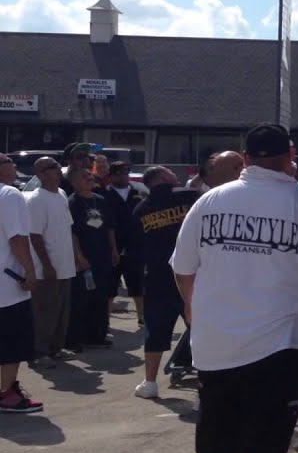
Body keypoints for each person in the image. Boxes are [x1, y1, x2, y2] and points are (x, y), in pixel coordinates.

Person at [170, 124, 298, 453]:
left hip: (216, 335)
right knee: (264, 425)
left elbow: (183, 267)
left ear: (246, 158)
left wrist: (192, 309)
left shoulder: (210, 200)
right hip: (280, 338)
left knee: (214, 414)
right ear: (290, 156)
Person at [131, 167, 202, 399]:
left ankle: (149, 383)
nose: (175, 175)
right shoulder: (187, 197)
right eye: (170, 173)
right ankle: (205, 384)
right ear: (162, 178)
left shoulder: (141, 209)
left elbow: (137, 245)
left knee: (155, 332)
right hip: (189, 276)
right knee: (201, 330)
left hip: (156, 277)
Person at [0, 153, 42, 413]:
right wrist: (29, 269)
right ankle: (7, 393)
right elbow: (17, 237)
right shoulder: (9, 195)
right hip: (7, 285)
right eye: (8, 162)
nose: (14, 166)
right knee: (12, 342)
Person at [25, 156, 77, 366]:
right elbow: (34, 235)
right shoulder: (36, 199)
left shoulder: (62, 194)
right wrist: (47, 265)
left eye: (57, 166)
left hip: (65, 265)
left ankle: (56, 348)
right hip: (47, 268)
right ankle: (39, 352)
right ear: (41, 174)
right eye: (52, 167)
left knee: (61, 311)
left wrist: (77, 257)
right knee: (44, 312)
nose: (57, 170)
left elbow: (68, 229)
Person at [66, 167, 119, 349]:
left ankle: (97, 336)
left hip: (102, 256)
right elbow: (72, 233)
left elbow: (109, 226)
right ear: (73, 182)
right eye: (84, 176)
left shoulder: (101, 201)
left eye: (89, 175)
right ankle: (74, 339)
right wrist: (79, 256)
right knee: (81, 300)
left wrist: (113, 249)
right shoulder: (72, 203)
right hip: (83, 259)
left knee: (100, 297)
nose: (89, 178)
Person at [104, 161, 146, 324]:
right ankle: (105, 318)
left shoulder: (138, 193)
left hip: (135, 245)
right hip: (113, 245)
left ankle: (141, 316)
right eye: (119, 173)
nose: (123, 176)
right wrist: (113, 247)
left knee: (137, 284)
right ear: (111, 176)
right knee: (110, 286)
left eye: (126, 173)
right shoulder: (105, 194)